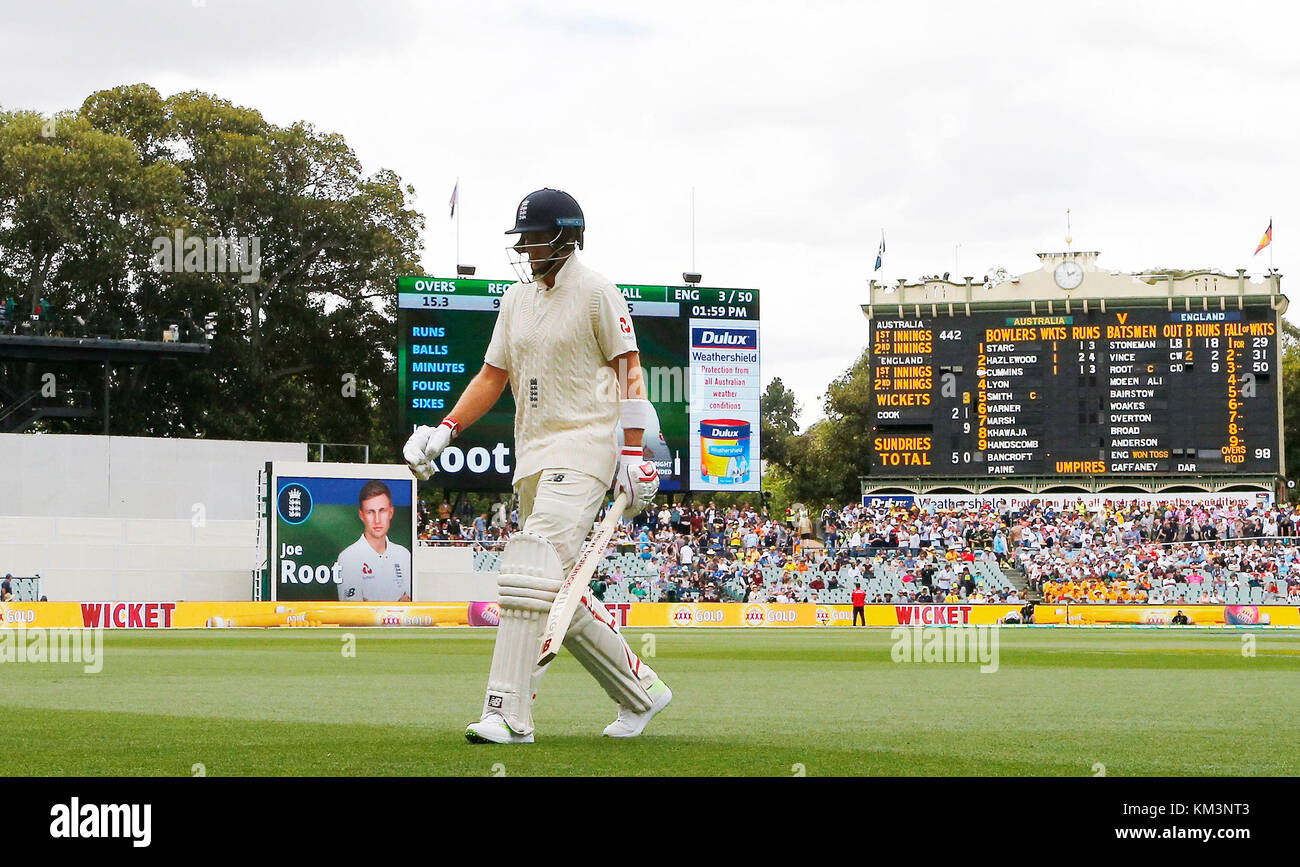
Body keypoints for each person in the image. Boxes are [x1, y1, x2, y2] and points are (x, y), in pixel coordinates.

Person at [403, 188, 670, 744]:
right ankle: (640, 692)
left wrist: (630, 452)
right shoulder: (514, 300)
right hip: (534, 456)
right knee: (553, 593)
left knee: (530, 568)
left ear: (568, 237)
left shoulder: (598, 291)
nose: (525, 247)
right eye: (521, 238)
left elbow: (631, 373)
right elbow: (491, 377)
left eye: (536, 236)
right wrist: (444, 430)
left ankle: (508, 714)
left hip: (586, 447)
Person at [334, 480, 413, 602]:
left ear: (391, 512)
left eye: (382, 511)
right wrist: (395, 604)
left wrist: (369, 603)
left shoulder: (404, 555)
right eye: (370, 512)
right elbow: (354, 611)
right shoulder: (348, 557)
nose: (377, 520)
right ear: (361, 515)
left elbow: (409, 605)